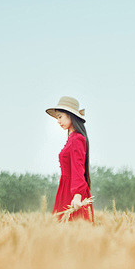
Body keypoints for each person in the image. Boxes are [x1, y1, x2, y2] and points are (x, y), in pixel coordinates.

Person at [45, 96, 95, 224]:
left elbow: (78, 168)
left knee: (73, 232)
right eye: (57, 118)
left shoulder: (77, 139)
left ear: (70, 116)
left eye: (60, 116)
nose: (58, 121)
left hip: (72, 192)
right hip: (66, 189)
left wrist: (77, 195)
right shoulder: (72, 138)